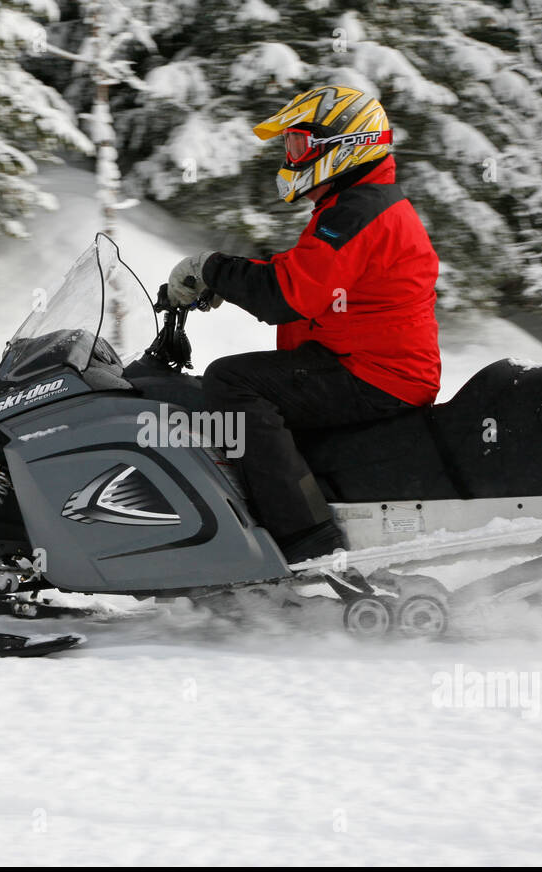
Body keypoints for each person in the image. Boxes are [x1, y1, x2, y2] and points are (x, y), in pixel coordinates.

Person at [165, 86, 441, 564]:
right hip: (366, 364)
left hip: (377, 374)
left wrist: (212, 269)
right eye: (289, 147)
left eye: (299, 146)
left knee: (232, 381)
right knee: (262, 382)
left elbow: (287, 295)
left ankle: (305, 541)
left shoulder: (360, 210)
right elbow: (305, 279)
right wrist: (228, 281)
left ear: (349, 144)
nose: (292, 159)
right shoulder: (357, 203)